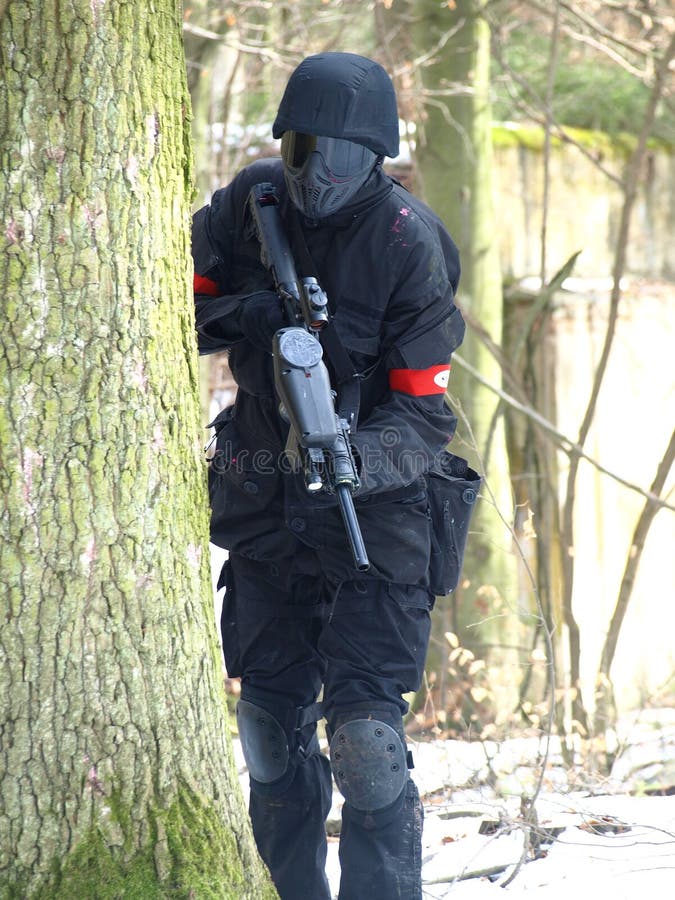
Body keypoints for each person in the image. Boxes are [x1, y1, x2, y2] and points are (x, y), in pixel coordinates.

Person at [192, 52, 470, 900]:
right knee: (270, 736)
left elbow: (424, 413)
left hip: (374, 525)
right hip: (268, 511)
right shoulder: (249, 201)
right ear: (287, 137)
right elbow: (177, 309)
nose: (321, 169)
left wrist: (355, 457)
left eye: (345, 151)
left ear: (378, 153)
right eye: (307, 144)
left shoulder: (407, 241)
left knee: (367, 749)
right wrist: (256, 312)